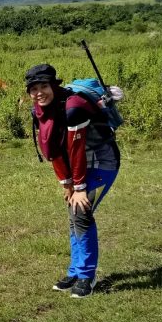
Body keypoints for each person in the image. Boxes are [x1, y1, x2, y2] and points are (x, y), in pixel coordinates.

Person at [26, 63, 120, 298]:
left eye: (44, 86)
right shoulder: (40, 111)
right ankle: (76, 271)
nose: (39, 93)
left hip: (101, 161)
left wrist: (78, 187)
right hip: (78, 166)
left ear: (53, 86)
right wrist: (66, 183)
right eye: (33, 89)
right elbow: (54, 151)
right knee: (74, 215)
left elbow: (75, 148)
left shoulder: (74, 108)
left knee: (81, 214)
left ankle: (87, 275)